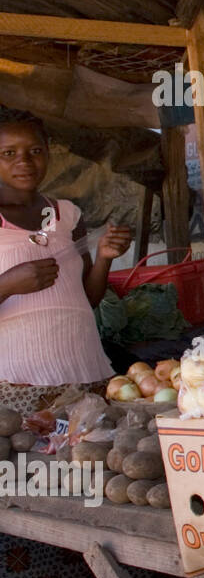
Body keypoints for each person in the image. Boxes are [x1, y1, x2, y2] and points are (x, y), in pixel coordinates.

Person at [0, 108, 132, 415]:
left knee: (88, 457)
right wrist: (8, 284)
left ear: (47, 153)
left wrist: (104, 258)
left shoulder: (68, 215)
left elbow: (87, 299)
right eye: (9, 153)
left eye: (35, 151)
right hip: (17, 385)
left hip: (83, 374)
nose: (24, 162)